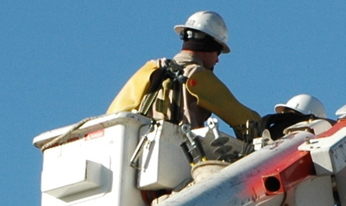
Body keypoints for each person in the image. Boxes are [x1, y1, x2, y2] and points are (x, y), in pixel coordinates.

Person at [107, 10, 266, 141]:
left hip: (138, 159)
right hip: (180, 160)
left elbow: (114, 114)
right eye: (218, 52)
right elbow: (242, 118)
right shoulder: (197, 75)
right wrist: (267, 126)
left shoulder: (150, 69)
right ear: (209, 47)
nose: (217, 59)